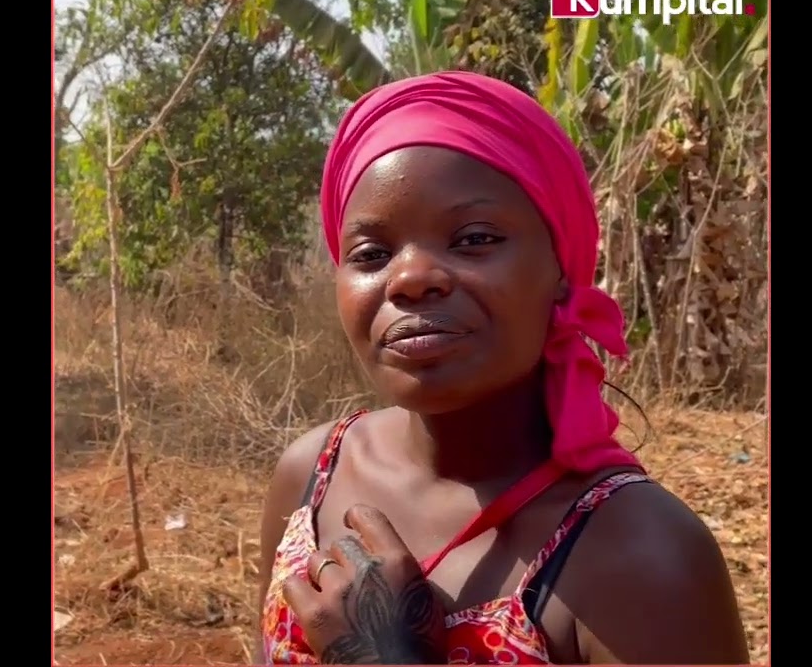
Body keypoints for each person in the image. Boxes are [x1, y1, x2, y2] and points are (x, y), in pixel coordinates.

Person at [256, 70, 750, 665]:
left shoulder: (641, 557)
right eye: (372, 254)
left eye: (474, 238)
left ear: (561, 265)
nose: (410, 278)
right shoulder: (312, 476)